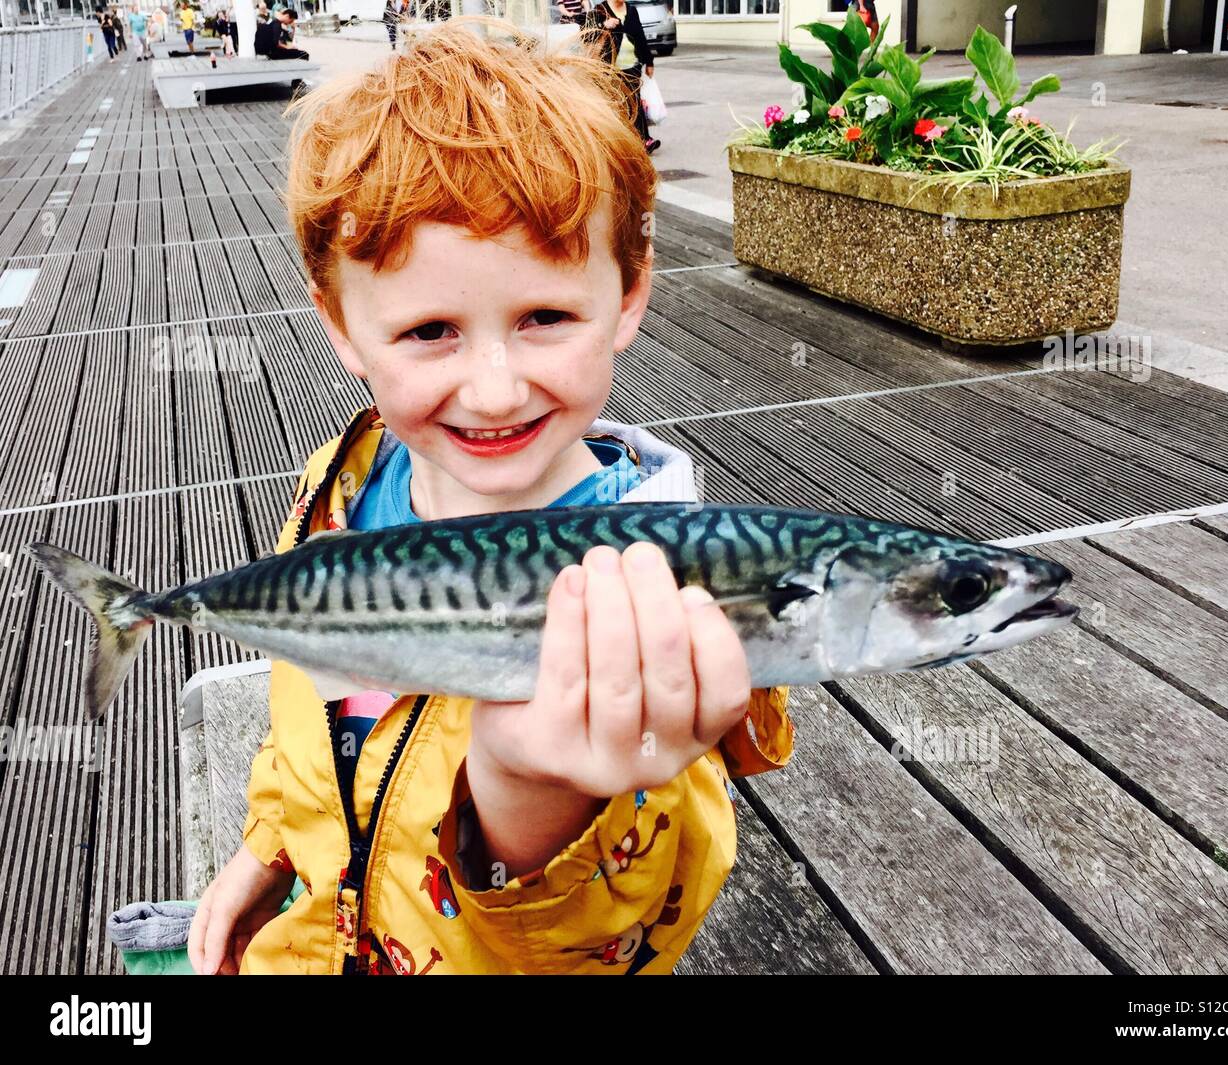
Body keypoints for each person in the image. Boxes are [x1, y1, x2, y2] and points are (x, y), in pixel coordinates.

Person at [185, 16, 794, 976]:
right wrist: (265, 850)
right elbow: (308, 711)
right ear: (343, 328)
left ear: (629, 295)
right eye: (432, 330)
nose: (497, 388)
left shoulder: (664, 593)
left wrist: (526, 805)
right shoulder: (340, 493)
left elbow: (641, 918)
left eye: (545, 316)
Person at [585, 0, 659, 154]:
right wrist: (604, 25)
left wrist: (649, 61)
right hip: (609, 69)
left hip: (632, 66)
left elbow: (640, 37)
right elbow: (586, 35)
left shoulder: (631, 11)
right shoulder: (599, 11)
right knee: (617, 105)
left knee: (635, 103)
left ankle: (644, 140)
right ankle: (619, 142)